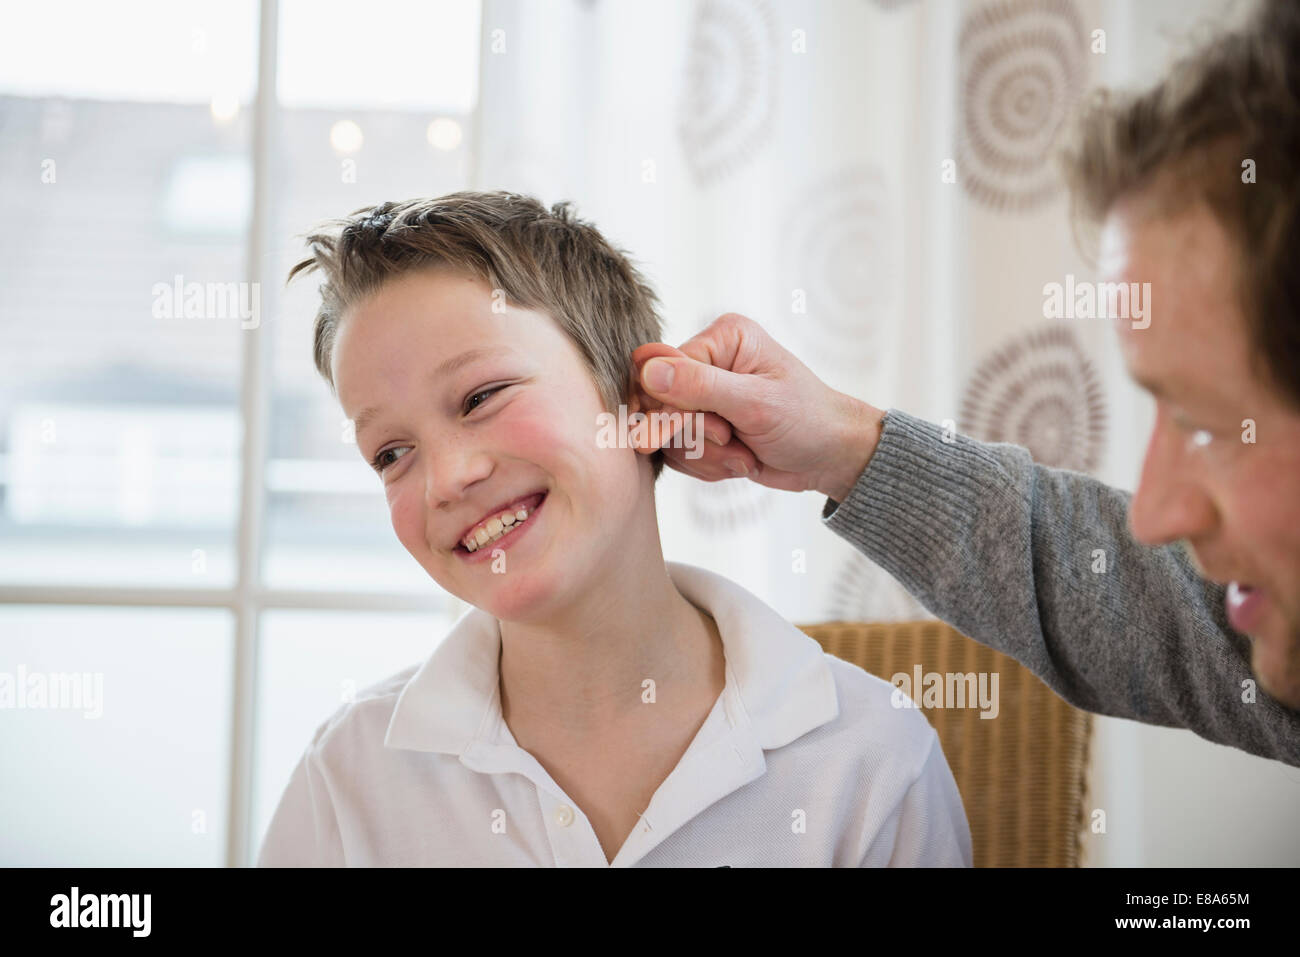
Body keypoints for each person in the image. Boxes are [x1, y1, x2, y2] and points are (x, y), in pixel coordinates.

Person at [630, 0, 1300, 768]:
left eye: (1211, 424)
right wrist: (846, 448)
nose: (1152, 514)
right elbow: (1137, 597)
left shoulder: (864, 767)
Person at [256, 192, 971, 867]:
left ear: (641, 397)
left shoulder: (870, 761)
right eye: (391, 453)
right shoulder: (350, 778)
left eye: (480, 396)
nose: (447, 478)